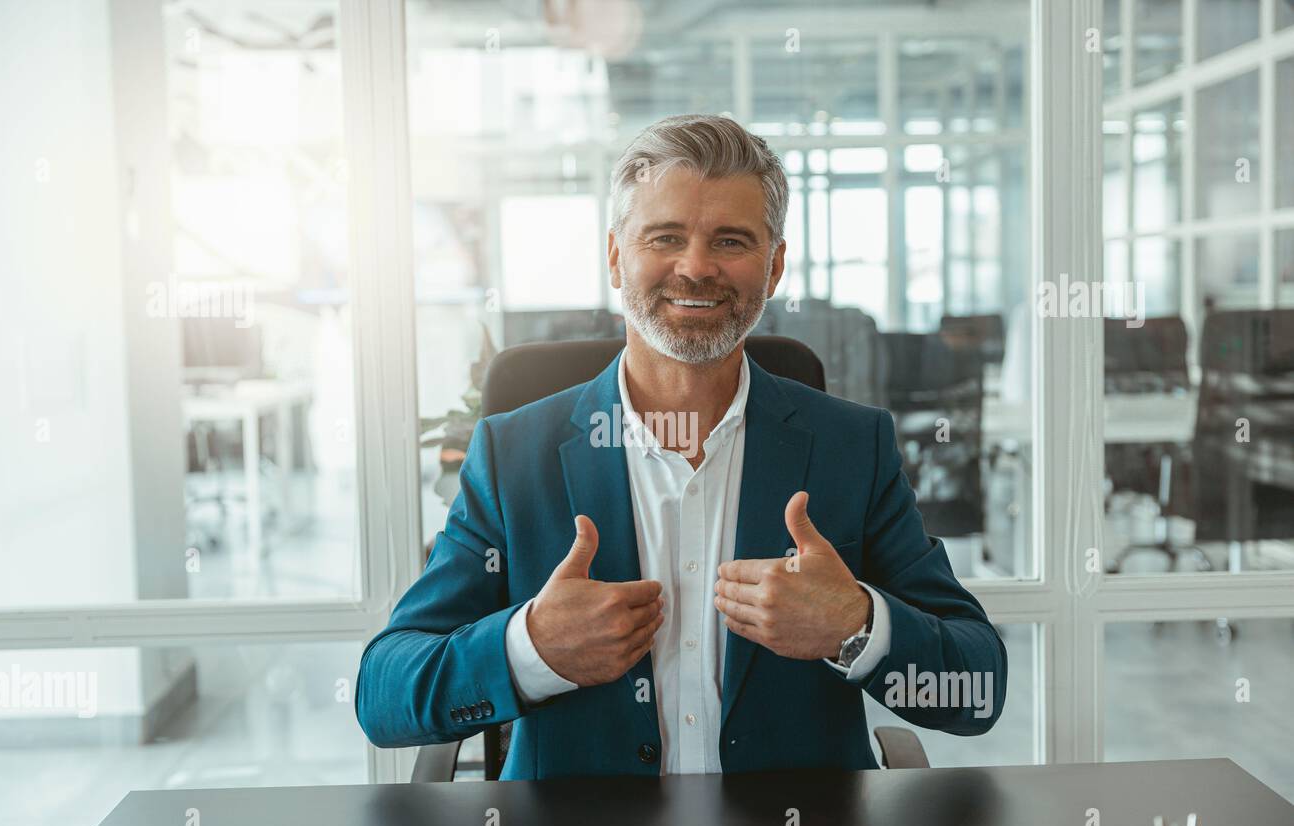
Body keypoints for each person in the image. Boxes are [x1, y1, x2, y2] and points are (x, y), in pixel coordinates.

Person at [356, 114, 1006, 778]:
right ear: (616, 256)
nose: (696, 268)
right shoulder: (513, 457)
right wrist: (532, 647)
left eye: (730, 240)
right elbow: (385, 696)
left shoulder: (851, 448)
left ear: (775, 265)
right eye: (665, 237)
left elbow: (977, 688)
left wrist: (856, 627)